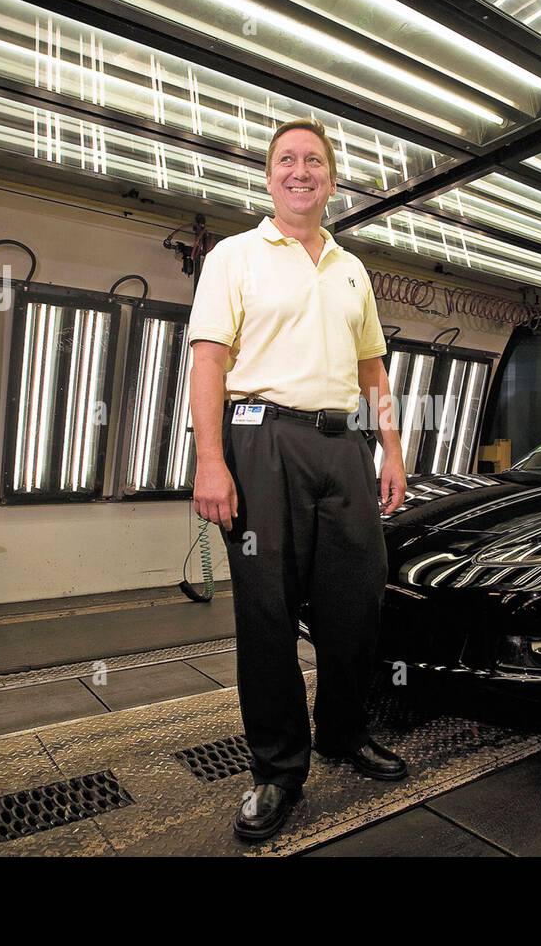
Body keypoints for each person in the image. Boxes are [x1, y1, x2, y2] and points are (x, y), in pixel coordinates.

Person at [188, 118, 409, 842]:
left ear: (332, 180)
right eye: (287, 159)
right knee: (268, 613)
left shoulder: (352, 269)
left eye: (314, 159)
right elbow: (209, 364)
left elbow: (373, 368)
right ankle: (279, 769)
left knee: (358, 601)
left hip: (342, 447)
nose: (301, 169)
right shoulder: (235, 256)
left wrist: (393, 449)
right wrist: (211, 459)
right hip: (261, 442)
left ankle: (342, 732)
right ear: (268, 175)